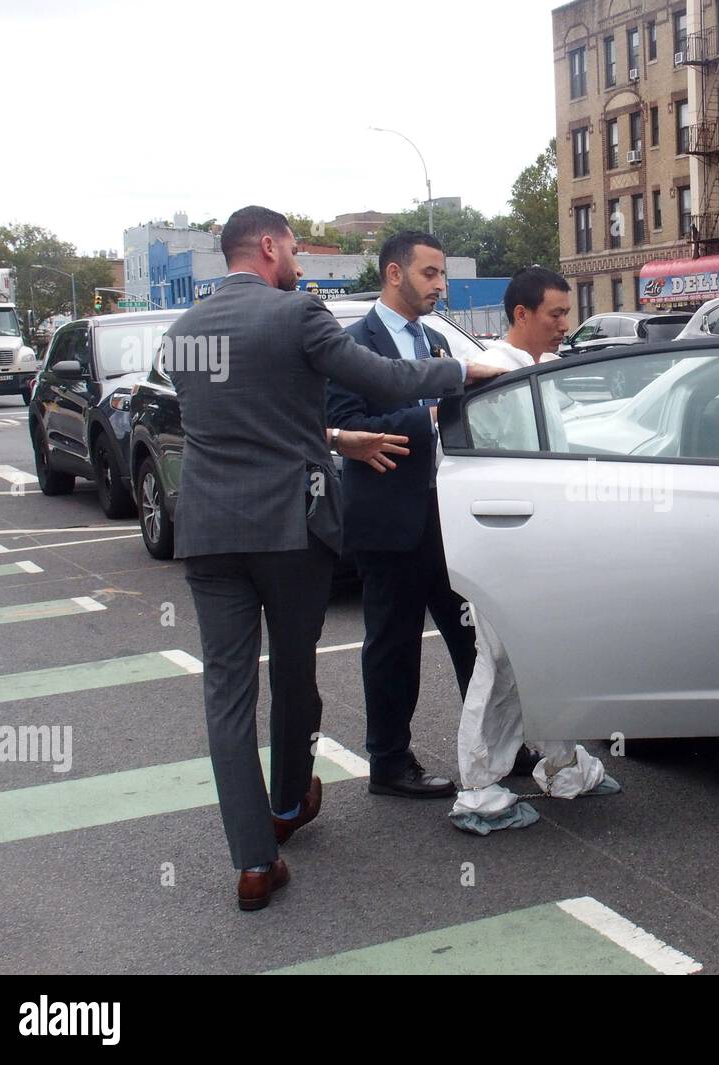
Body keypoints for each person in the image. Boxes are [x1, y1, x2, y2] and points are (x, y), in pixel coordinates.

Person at [168, 205, 503, 909]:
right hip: (289, 528)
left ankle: (255, 861)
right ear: (267, 246)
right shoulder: (298, 315)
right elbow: (380, 378)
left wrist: (333, 438)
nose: (296, 259)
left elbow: (232, 420)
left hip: (206, 531)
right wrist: (458, 373)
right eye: (291, 246)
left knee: (226, 697)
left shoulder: (181, 333)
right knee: (293, 677)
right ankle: (288, 801)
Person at [448, 267, 620, 836]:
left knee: (540, 661)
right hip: (510, 547)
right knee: (499, 665)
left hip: (538, 543)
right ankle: (478, 787)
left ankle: (564, 764)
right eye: (555, 314)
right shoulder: (498, 376)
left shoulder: (532, 371)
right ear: (521, 314)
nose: (564, 325)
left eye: (567, 313)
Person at [326, 232, 476, 799]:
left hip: (451, 518)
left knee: (473, 638)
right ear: (395, 274)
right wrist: (428, 416)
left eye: (442, 275)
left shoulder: (436, 341)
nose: (440, 285)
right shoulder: (350, 345)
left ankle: (497, 745)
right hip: (389, 522)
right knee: (393, 646)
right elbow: (345, 424)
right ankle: (388, 763)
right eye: (430, 274)